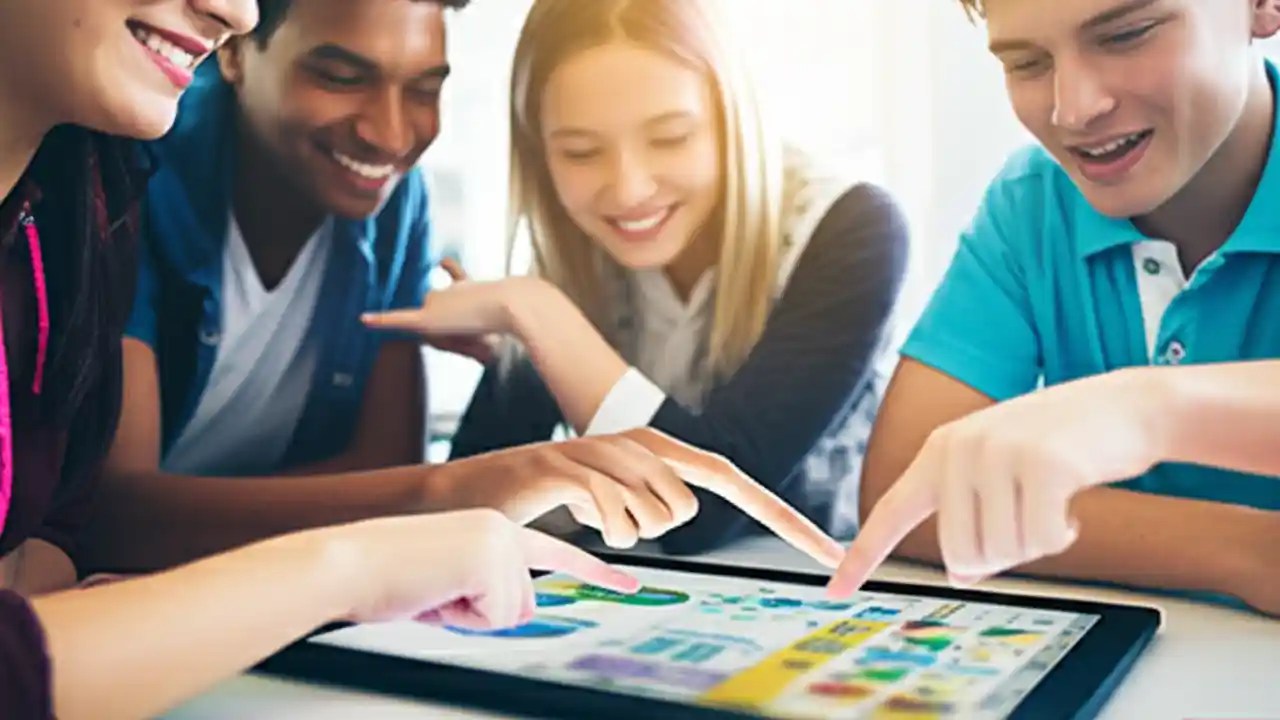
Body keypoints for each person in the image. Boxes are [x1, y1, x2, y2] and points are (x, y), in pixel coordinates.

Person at [0, 2, 845, 717]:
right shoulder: (123, 158)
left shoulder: (390, 197)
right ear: (239, 59)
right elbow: (112, 508)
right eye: (339, 74)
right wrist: (431, 501)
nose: (392, 132)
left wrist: (440, 490)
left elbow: (388, 470)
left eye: (426, 88)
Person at [365, 0, 911, 554]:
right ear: (541, 155)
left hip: (828, 584)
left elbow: (706, 509)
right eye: (581, 152)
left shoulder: (852, 228)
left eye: (671, 138)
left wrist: (536, 311)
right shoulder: (578, 253)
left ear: (732, 121)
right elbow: (472, 492)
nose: (628, 190)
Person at [828, 0, 1280, 617]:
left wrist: (1148, 410)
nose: (1074, 108)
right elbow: (912, 496)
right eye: (1026, 62)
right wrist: (1250, 552)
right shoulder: (1033, 203)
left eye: (1127, 35)